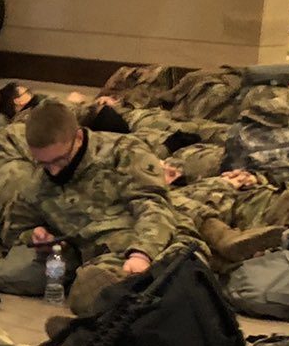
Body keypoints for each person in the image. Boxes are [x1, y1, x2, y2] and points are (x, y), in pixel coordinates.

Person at [13, 99, 202, 314]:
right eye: (45, 164)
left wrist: (142, 254)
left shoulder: (123, 152)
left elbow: (153, 204)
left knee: (182, 267)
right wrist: (35, 235)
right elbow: (17, 224)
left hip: (155, 240)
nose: (53, 171)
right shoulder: (37, 180)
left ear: (78, 138)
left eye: (60, 160)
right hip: (104, 260)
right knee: (85, 292)